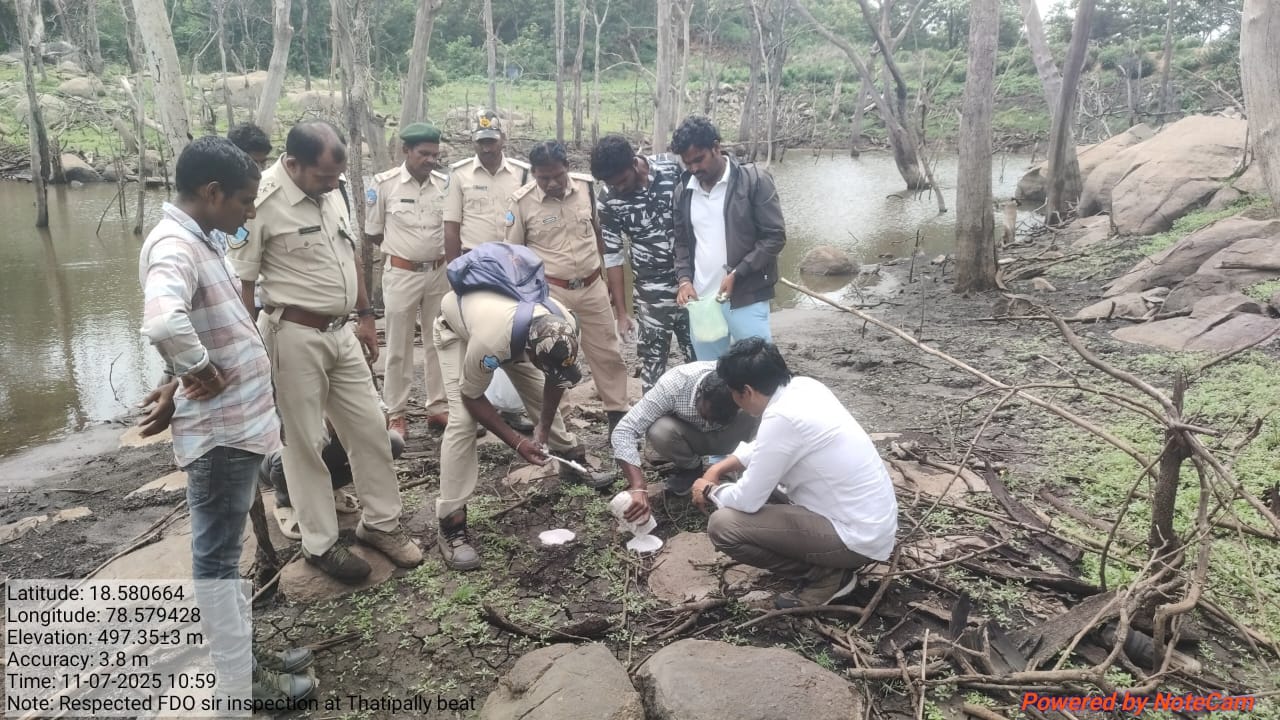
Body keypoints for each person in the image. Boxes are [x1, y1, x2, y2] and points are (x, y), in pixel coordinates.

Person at [137, 135, 315, 703]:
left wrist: (178, 379)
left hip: (235, 429)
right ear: (212, 193)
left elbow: (197, 321)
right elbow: (164, 322)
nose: (250, 212)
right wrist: (198, 370)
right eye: (243, 200)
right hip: (220, 436)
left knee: (223, 554)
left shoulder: (201, 238)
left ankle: (243, 659)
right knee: (215, 560)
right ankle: (239, 682)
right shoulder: (175, 246)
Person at [227, 120, 422, 584]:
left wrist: (366, 315)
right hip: (291, 335)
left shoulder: (332, 190)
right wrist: (248, 359)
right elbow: (244, 285)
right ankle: (319, 543)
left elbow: (349, 253)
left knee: (370, 428)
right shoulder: (260, 200)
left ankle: (381, 525)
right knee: (304, 442)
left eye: (337, 177)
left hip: (341, 332)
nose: (333, 185)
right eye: (324, 177)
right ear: (293, 164)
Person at [691, 339, 898, 609]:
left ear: (747, 391)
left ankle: (825, 577)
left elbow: (747, 501)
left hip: (855, 539)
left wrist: (709, 490)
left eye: (733, 392)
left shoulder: (781, 417)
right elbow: (766, 448)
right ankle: (825, 564)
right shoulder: (804, 387)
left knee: (724, 526)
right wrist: (719, 468)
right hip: (871, 524)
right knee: (749, 482)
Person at [433, 272, 616, 571]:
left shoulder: (565, 324)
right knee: (463, 422)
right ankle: (450, 523)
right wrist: (517, 442)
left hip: (512, 331)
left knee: (538, 390)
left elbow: (556, 380)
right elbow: (472, 397)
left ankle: (570, 459)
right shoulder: (491, 343)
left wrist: (541, 428)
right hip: (459, 330)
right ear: (529, 352)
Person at [505, 140, 632, 432]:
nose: (551, 183)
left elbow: (602, 237)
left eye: (557, 176)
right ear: (533, 173)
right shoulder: (521, 203)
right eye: (543, 178)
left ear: (567, 168)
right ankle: (559, 425)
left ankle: (618, 416)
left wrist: (610, 283)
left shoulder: (587, 189)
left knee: (608, 352)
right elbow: (515, 256)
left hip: (592, 286)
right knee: (554, 355)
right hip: (551, 292)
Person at [442, 109, 535, 433]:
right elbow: (451, 226)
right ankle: (480, 407)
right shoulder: (460, 175)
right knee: (478, 338)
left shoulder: (522, 174)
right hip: (474, 268)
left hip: (512, 267)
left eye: (492, 141)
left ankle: (511, 407)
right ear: (474, 142)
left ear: (503, 139)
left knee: (513, 334)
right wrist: (453, 272)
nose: (487, 147)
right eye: (481, 141)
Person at [671, 116, 786, 361]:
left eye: (699, 159)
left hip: (746, 296)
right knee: (709, 373)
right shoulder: (683, 191)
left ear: (716, 147)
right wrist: (684, 280)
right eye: (687, 163)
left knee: (758, 369)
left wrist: (738, 273)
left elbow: (774, 237)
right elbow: (681, 244)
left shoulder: (754, 180)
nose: (694, 169)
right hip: (702, 301)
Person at [365, 122, 451, 438]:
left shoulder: (445, 184)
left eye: (434, 154)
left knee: (439, 341)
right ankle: (396, 413)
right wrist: (406, 253)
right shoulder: (385, 185)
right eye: (423, 153)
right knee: (398, 346)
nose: (430, 160)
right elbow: (373, 232)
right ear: (406, 151)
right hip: (401, 274)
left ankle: (438, 407)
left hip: (439, 272)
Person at [591, 134, 693, 392]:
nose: (618, 188)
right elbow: (613, 256)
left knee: (699, 353)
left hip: (693, 280)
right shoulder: (607, 200)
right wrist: (622, 313)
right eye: (611, 184)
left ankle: (704, 411)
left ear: (634, 163)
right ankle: (654, 414)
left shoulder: (672, 168)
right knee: (652, 362)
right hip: (650, 290)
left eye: (622, 181)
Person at [609, 361, 759, 521]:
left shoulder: (745, 383)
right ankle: (691, 468)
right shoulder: (674, 385)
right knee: (659, 430)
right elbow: (624, 430)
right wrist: (638, 487)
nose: (711, 423)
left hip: (734, 439)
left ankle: (749, 469)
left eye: (720, 418)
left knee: (761, 409)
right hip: (693, 439)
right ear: (700, 393)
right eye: (707, 415)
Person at [259, 426, 404, 540]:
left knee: (392, 442)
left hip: (331, 438)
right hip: (275, 449)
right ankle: (285, 503)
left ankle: (327, 489)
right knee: (286, 454)